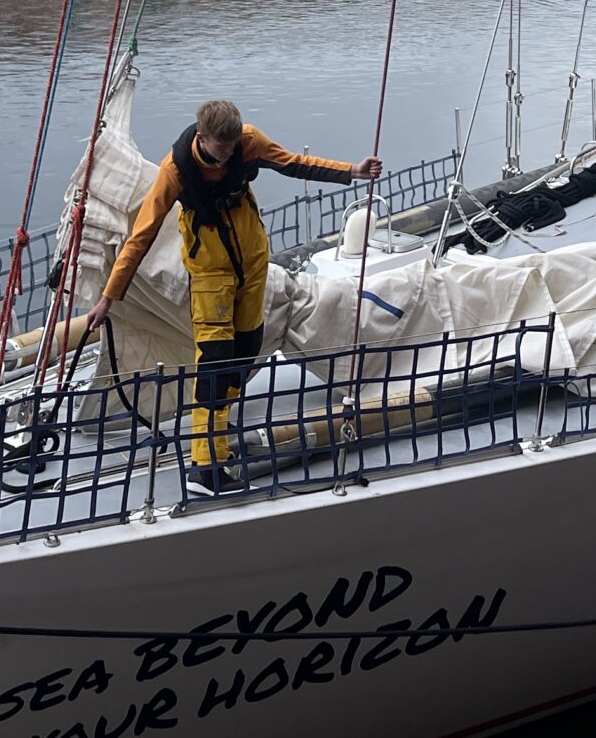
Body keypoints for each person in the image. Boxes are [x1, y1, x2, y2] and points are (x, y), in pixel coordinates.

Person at [87, 100, 382, 492]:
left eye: (232, 145)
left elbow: (293, 163)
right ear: (202, 136)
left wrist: (352, 172)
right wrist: (108, 298)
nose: (227, 152)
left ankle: (218, 438)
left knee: (247, 350)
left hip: (253, 264)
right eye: (220, 146)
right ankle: (205, 467)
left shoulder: (247, 141)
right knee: (213, 365)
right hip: (211, 275)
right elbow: (140, 237)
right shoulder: (175, 171)